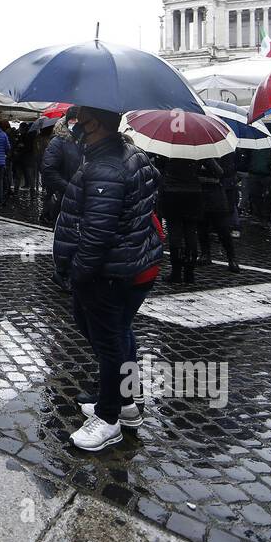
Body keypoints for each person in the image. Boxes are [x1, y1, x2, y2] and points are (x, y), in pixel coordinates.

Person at [52, 106, 163, 452]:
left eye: (80, 118)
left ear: (94, 123)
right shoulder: (128, 153)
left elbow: (96, 234)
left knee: (109, 340)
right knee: (115, 333)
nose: (74, 125)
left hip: (109, 271)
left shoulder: (106, 167)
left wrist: (78, 274)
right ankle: (125, 401)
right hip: (132, 264)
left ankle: (109, 417)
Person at [157, 156, 203, 283]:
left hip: (172, 193)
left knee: (175, 233)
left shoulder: (169, 150)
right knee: (191, 233)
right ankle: (189, 273)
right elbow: (219, 171)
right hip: (193, 194)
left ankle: (176, 272)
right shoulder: (197, 150)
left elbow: (159, 167)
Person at [197, 158, 240, 272]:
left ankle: (232, 258)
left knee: (223, 229)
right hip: (200, 193)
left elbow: (222, 172)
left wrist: (207, 160)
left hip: (216, 195)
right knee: (202, 227)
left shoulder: (221, 153)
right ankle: (205, 254)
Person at [41, 114, 82, 226]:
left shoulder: (85, 142)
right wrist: (69, 188)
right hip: (64, 198)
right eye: (73, 119)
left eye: (79, 119)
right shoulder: (58, 142)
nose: (76, 122)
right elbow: (48, 170)